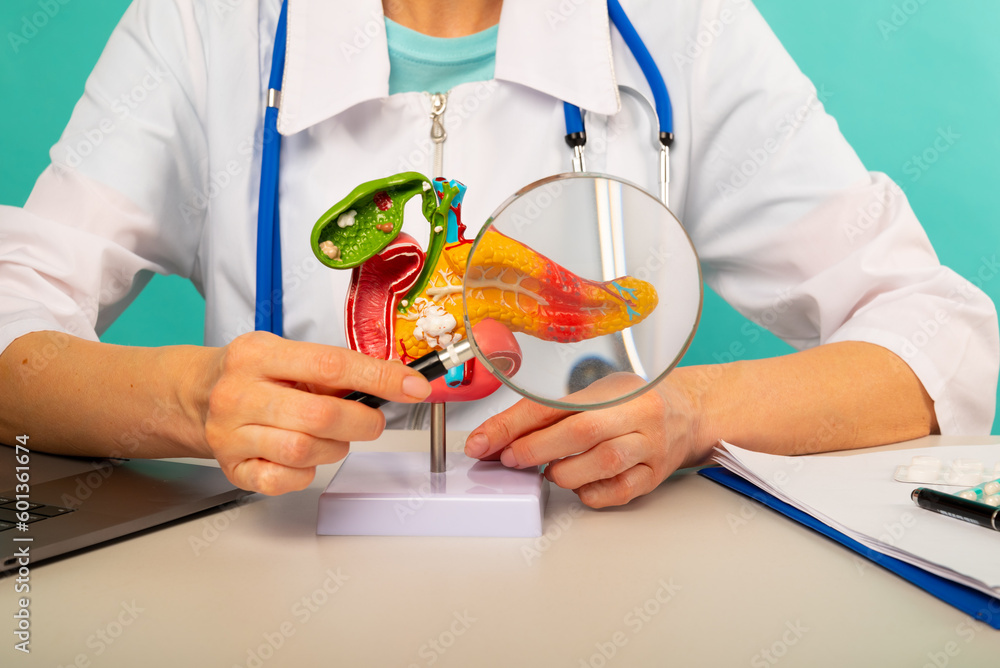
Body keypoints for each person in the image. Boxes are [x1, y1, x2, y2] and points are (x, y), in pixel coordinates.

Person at [0, 0, 996, 507]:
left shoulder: (674, 27)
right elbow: (12, 326)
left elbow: (938, 336)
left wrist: (696, 412)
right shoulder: (204, 25)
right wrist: (187, 398)